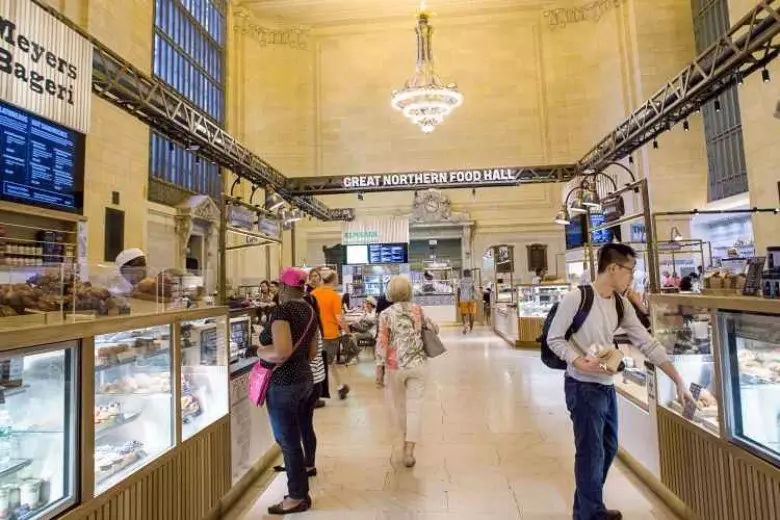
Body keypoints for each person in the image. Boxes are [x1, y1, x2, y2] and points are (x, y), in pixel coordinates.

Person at [548, 243, 695, 520]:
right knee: (590, 451)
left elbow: (646, 342)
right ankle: (591, 513)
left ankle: (587, 509)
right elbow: (554, 338)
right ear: (613, 268)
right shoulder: (576, 298)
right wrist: (577, 361)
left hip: (605, 383)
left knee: (608, 446)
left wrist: (677, 379)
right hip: (581, 386)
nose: (632, 276)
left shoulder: (620, 302)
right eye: (630, 270)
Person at [256, 268, 320, 515]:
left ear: (283, 287)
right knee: (298, 436)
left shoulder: (282, 311)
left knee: (288, 442)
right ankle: (299, 490)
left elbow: (281, 353)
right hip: (305, 379)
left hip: (284, 383)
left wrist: (258, 351)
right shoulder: (310, 309)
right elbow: (312, 352)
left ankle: (296, 497)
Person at [376, 276, 436, 468]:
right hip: (418, 364)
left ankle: (404, 441)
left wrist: (379, 369)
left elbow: (382, 341)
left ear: (390, 292)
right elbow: (434, 328)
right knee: (415, 407)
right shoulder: (418, 310)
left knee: (401, 407)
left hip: (396, 366)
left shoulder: (385, 314)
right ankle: (409, 451)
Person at [312, 270, 351, 400]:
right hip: (330, 335)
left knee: (323, 362)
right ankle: (316, 393)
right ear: (334, 280)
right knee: (325, 363)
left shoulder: (313, 294)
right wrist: (348, 332)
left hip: (315, 334)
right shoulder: (334, 296)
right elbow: (339, 318)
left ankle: (340, 387)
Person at [457, 269, 477, 334]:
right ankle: (471, 329)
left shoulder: (460, 281)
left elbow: (458, 291)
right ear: (469, 273)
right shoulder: (473, 280)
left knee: (463, 314)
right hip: (471, 299)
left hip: (463, 299)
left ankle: (465, 325)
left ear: (464, 274)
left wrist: (458, 300)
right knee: (472, 314)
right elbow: (474, 290)